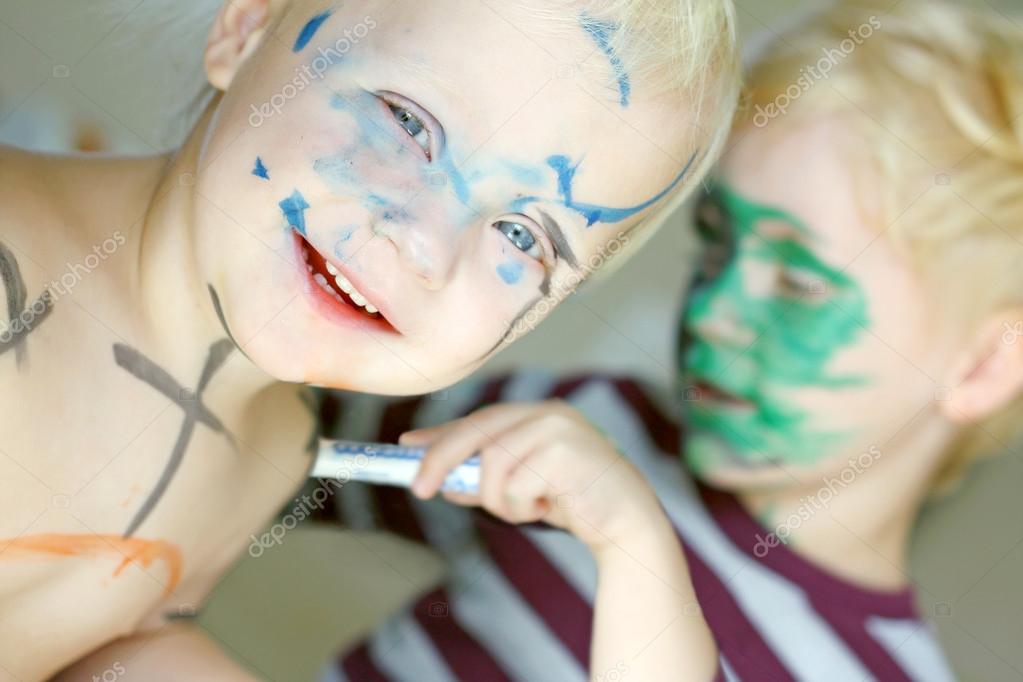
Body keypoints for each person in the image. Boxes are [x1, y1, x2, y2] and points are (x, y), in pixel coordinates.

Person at [0, 0, 740, 679]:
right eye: (409, 123)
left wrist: (634, 551)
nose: (423, 242)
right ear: (246, 28)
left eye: (521, 234)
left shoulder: (276, 446)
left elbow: (95, 644)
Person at [316, 0, 1022, 679]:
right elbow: (298, 456)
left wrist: (633, 549)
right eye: (714, 248)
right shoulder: (595, 421)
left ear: (985, 366)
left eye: (799, 284)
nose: (714, 312)